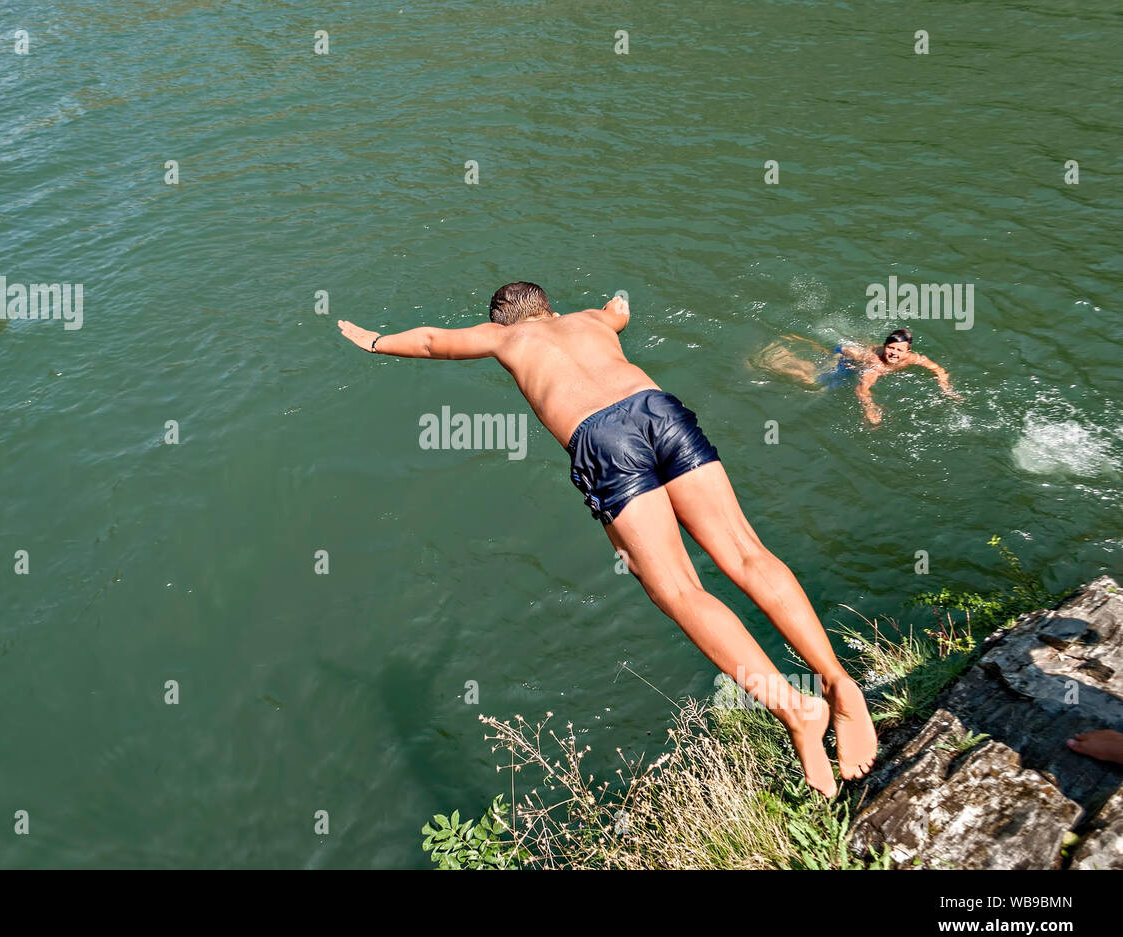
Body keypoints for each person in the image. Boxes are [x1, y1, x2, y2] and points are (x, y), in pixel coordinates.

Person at [337, 281, 877, 797]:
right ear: (548, 308)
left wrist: (376, 341)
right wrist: (616, 303)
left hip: (603, 438)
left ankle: (794, 708)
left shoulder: (503, 336)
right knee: (745, 552)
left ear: (501, 319)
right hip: (658, 409)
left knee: (677, 589)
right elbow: (619, 309)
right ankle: (837, 683)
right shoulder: (592, 320)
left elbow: (431, 339)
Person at [753, 329, 962, 425]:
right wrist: (870, 408)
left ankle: (796, 359)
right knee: (815, 381)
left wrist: (944, 385)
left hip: (853, 352)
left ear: (908, 351)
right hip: (845, 359)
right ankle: (786, 360)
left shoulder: (913, 358)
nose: (894, 354)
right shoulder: (874, 367)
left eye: (899, 350)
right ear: (885, 346)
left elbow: (937, 368)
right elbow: (862, 389)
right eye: (890, 348)